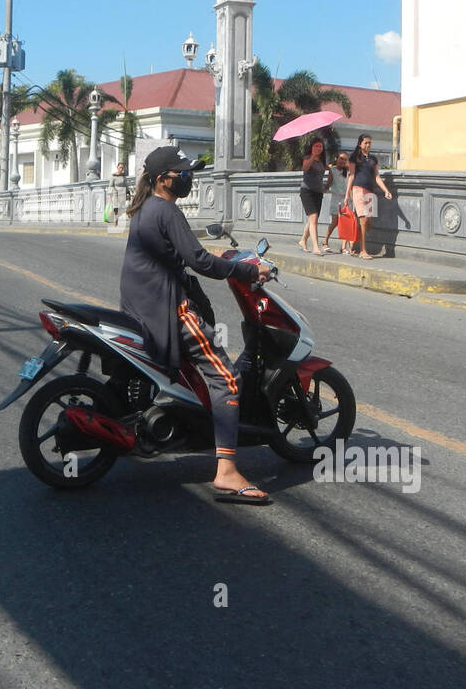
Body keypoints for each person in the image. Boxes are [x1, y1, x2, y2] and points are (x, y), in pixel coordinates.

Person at [120, 146, 274, 505]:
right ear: (163, 180)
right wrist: (250, 270)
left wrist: (214, 262)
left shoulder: (144, 209)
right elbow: (199, 261)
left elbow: (184, 257)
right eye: (182, 173)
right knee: (228, 378)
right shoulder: (166, 210)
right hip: (169, 310)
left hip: (141, 307)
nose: (188, 177)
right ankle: (227, 471)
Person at [347, 133, 393, 259]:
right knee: (363, 219)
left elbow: (377, 176)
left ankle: (354, 242)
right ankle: (363, 250)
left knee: (369, 222)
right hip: (358, 189)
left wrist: (386, 190)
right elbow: (351, 175)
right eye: (366, 142)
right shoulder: (354, 157)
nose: (368, 145)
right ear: (360, 143)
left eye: (369, 143)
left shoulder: (373, 159)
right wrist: (347, 194)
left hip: (370, 190)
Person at [297, 138, 330, 256]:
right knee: (314, 217)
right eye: (316, 146)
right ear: (311, 147)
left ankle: (303, 240)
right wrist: (312, 156)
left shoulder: (321, 161)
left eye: (320, 146)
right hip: (307, 191)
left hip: (318, 192)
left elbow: (324, 171)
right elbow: (305, 168)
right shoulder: (307, 158)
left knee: (312, 219)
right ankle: (316, 247)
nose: (318, 148)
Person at [321, 152, 351, 254]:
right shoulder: (332, 170)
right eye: (341, 159)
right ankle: (325, 241)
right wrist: (323, 190)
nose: (343, 161)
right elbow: (329, 183)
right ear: (336, 158)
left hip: (346, 199)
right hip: (336, 198)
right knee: (335, 222)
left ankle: (344, 247)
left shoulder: (348, 171)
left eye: (345, 159)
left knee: (346, 222)